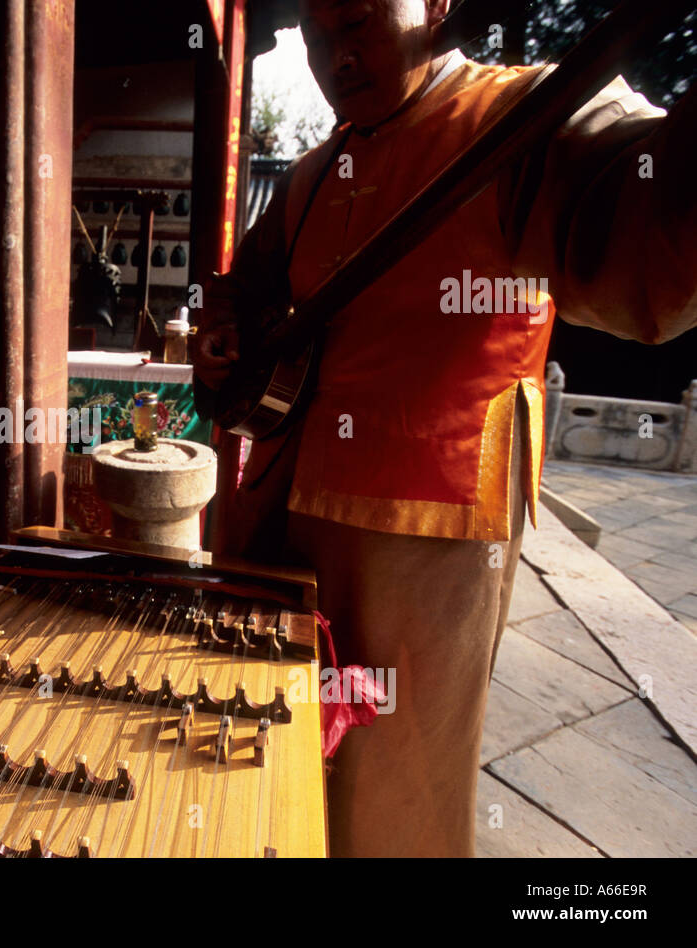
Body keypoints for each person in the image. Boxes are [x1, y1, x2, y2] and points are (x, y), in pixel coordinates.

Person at [194, 0, 696, 856]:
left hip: (425, 527)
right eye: (319, 39)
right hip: (287, 509)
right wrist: (223, 326)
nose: (336, 58)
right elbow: (243, 284)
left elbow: (641, 224)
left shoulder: (525, 118)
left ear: (432, 8)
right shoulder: (317, 170)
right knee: (268, 748)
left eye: (357, 25)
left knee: (392, 785)